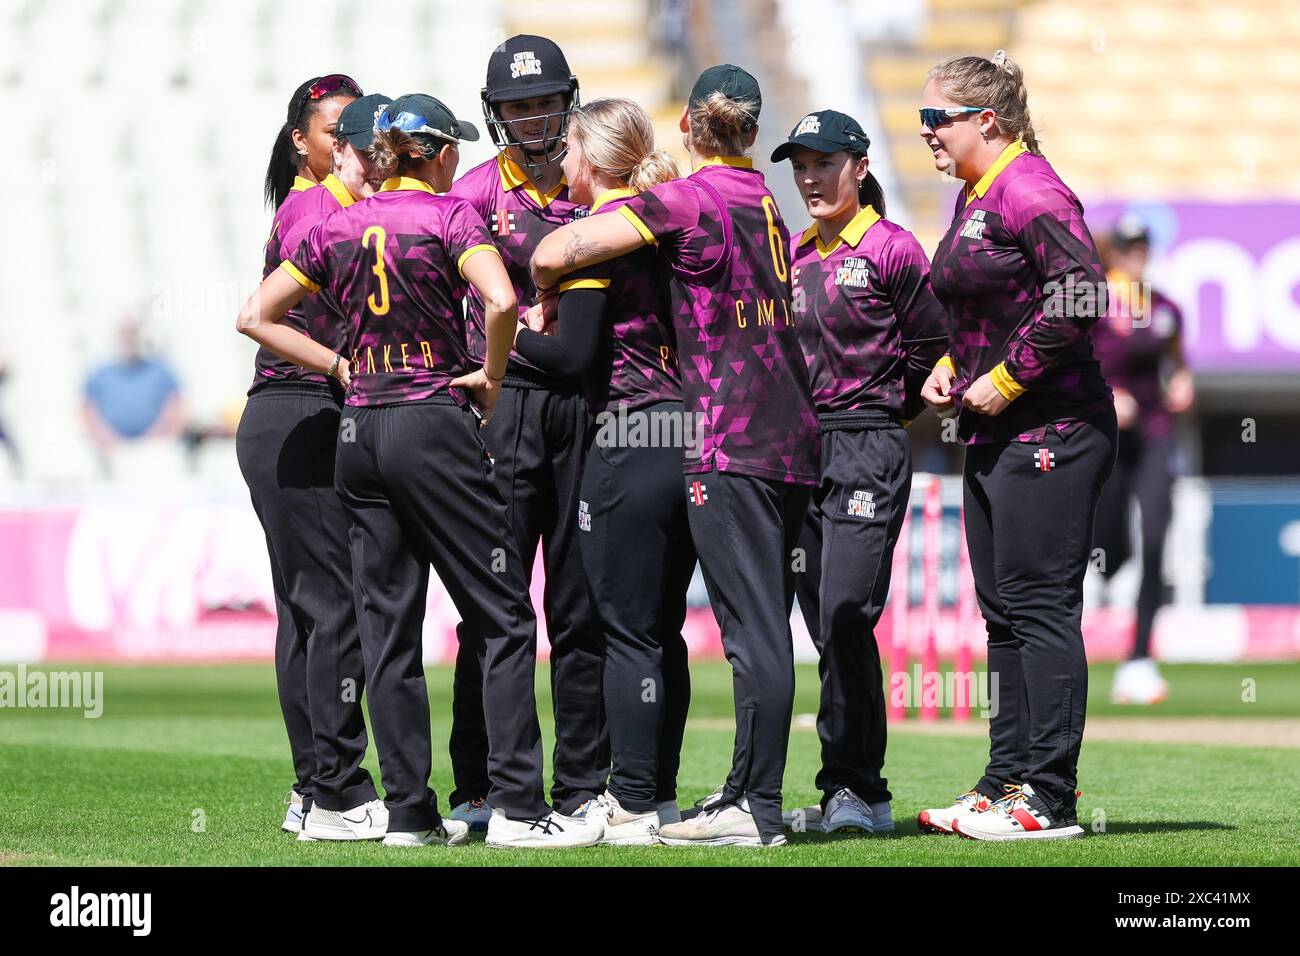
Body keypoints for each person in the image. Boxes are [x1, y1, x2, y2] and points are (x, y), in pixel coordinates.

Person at [237, 93, 603, 849]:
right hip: (431, 419)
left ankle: (408, 812)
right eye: (453, 151)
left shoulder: (334, 223)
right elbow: (502, 297)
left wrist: (339, 363)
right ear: (433, 153)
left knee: (387, 627)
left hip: (358, 428)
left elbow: (256, 315)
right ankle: (516, 807)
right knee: (501, 614)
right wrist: (493, 376)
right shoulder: (447, 216)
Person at [532, 65, 821, 847]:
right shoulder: (766, 198)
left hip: (723, 433)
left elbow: (566, 245)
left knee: (730, 630)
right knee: (729, 627)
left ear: (691, 125)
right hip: (780, 428)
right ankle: (719, 797)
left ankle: (730, 806)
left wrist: (531, 287)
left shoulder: (689, 199)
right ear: (753, 133)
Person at [916, 51, 1116, 841]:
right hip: (998, 430)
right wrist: (949, 362)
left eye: (938, 119)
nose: (926, 132)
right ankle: (1005, 781)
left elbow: (1082, 294)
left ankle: (1050, 798)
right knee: (1003, 614)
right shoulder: (977, 191)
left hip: (1052, 429)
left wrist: (1006, 376)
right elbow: (984, 303)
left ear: (985, 122)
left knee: (1038, 608)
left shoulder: (1030, 189)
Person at [512, 98, 693, 843]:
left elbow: (575, 356)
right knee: (665, 629)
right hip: (685, 430)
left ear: (593, 158)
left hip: (626, 433)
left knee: (625, 632)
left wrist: (508, 338)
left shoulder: (592, 238)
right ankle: (664, 792)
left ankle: (630, 799)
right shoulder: (664, 224)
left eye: (571, 148)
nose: (561, 160)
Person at [444, 34, 606, 830]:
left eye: (545, 100)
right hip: (500, 412)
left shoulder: (598, 186)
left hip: (585, 411)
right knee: (495, 605)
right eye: (517, 105)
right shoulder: (473, 194)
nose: (534, 117)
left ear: (567, 99)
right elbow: (450, 305)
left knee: (580, 607)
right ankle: (477, 785)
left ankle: (580, 786)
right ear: (496, 112)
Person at [771, 110, 947, 835]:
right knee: (824, 624)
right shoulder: (792, 252)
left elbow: (933, 347)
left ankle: (853, 785)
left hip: (867, 447)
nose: (810, 178)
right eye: (800, 165)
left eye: (825, 163)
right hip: (799, 454)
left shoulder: (892, 249)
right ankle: (858, 791)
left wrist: (883, 417)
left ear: (861, 168)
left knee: (846, 614)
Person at [236, 82, 390, 841]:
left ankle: (314, 786)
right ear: (302, 139)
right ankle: (338, 789)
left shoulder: (320, 203)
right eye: (336, 130)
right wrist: (342, 368)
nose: (351, 141)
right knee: (332, 610)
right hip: (302, 410)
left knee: (309, 615)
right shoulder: (314, 209)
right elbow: (258, 319)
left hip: (290, 418)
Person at [1091, 214, 1194, 705]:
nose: (1136, 254)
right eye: (1128, 246)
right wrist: (1108, 394)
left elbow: (1176, 360)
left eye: (1142, 246)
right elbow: (1073, 363)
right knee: (1110, 545)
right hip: (1108, 442)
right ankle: (1111, 573)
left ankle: (1138, 658)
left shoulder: (1165, 308)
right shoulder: (1093, 303)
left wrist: (1180, 380)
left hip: (1154, 437)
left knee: (1156, 539)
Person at [83, 318, 185, 476]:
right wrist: (105, 438)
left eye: (133, 332)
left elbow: (176, 407)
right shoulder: (100, 372)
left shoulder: (160, 370)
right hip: (109, 451)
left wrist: (157, 439)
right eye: (124, 332)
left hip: (154, 450)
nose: (128, 337)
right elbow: (86, 410)